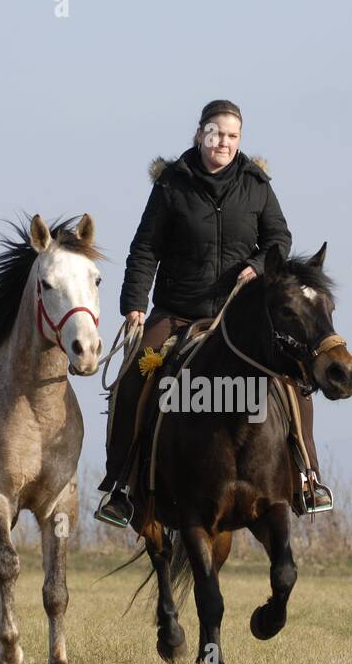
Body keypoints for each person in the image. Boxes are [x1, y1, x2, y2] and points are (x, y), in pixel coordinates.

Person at [95, 99, 329, 527]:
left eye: (232, 136)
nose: (224, 142)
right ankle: (121, 486)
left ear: (240, 141)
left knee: (296, 380)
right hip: (178, 312)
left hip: (241, 316)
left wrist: (256, 267)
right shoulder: (171, 185)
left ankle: (307, 477)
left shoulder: (257, 184)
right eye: (216, 133)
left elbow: (279, 238)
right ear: (199, 134)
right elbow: (145, 248)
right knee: (131, 381)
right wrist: (133, 305)